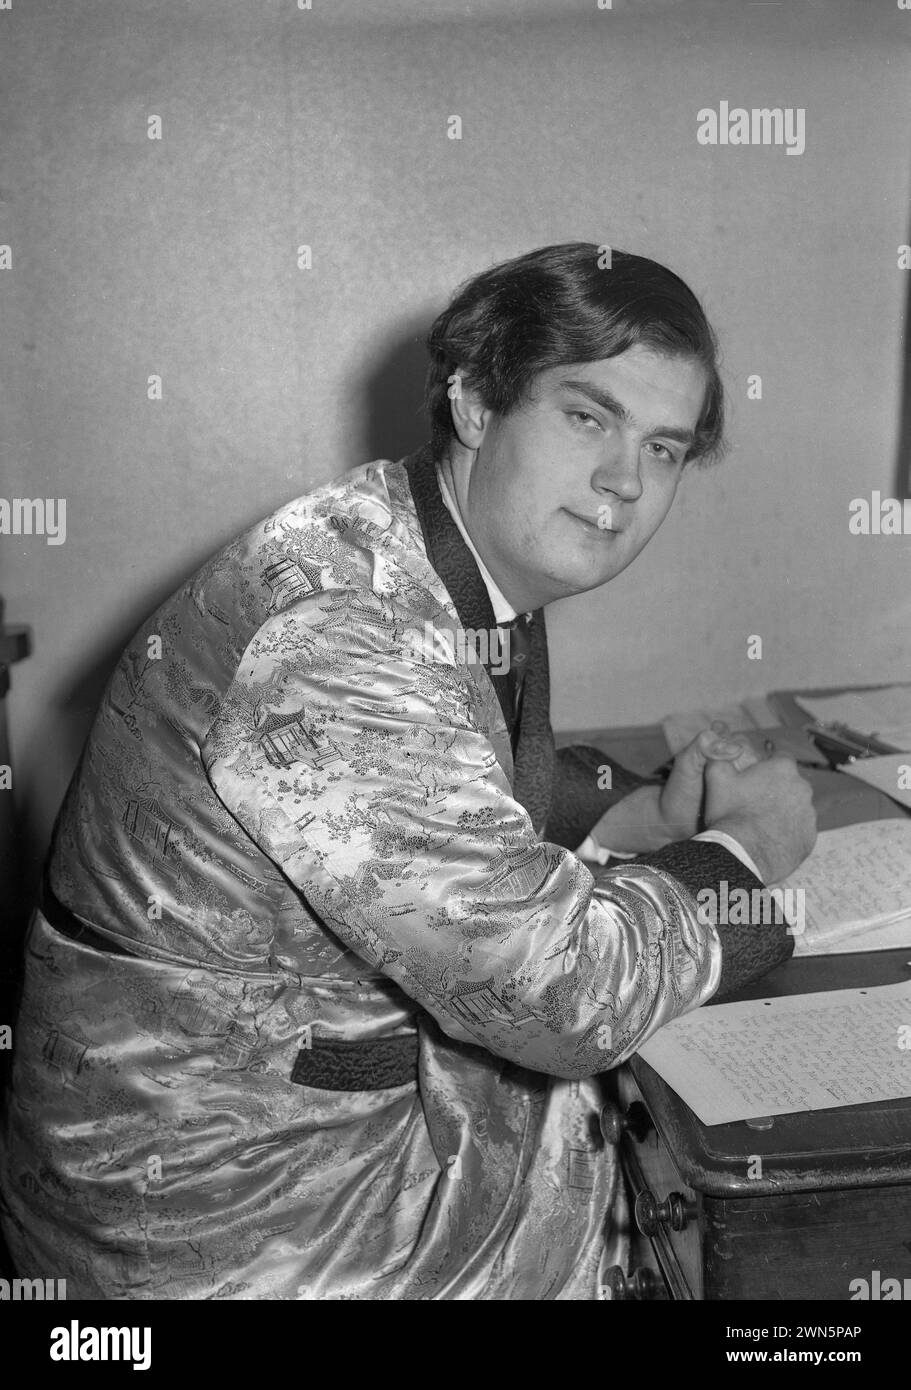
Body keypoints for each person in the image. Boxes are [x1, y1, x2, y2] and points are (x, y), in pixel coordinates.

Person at [0, 242, 816, 1300]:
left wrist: (632, 814)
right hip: (218, 1214)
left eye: (661, 449)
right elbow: (559, 996)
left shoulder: (416, 536)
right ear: (476, 399)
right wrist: (745, 853)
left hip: (279, 1124)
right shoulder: (337, 636)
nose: (623, 482)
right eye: (586, 417)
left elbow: (443, 771)